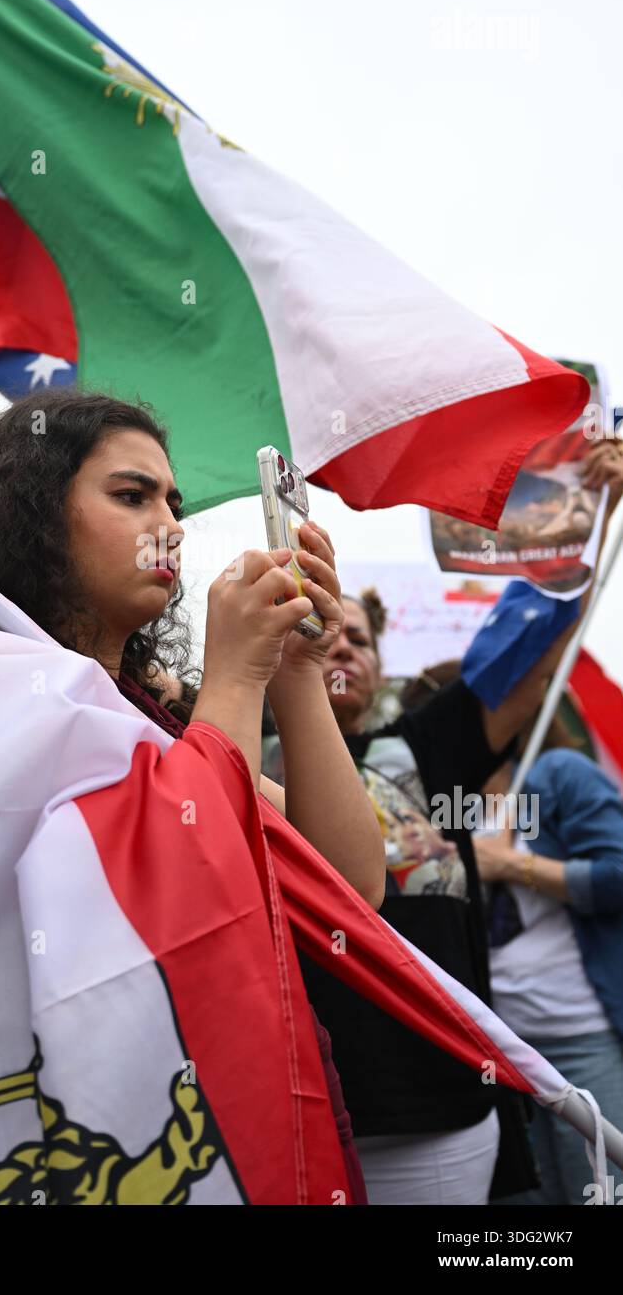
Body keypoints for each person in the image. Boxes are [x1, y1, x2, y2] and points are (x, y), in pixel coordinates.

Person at [0, 385, 384, 1201]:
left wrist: (295, 679)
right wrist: (237, 680)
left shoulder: (154, 705)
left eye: (172, 502)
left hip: (253, 1106)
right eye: (131, 496)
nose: (169, 525)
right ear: (33, 512)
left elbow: (350, 884)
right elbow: (187, 898)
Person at [262, 438, 623, 1203]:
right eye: (325, 625)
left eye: (358, 637)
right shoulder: (224, 748)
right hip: (292, 1109)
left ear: (380, 664)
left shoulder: (423, 744)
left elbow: (533, 648)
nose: (340, 645)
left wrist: (593, 514)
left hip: (442, 1109)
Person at [475, 743, 623, 1204]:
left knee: (599, 1193)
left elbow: (616, 876)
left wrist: (511, 864)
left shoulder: (557, 775)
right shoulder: (441, 801)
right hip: (499, 1053)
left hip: (581, 1037)